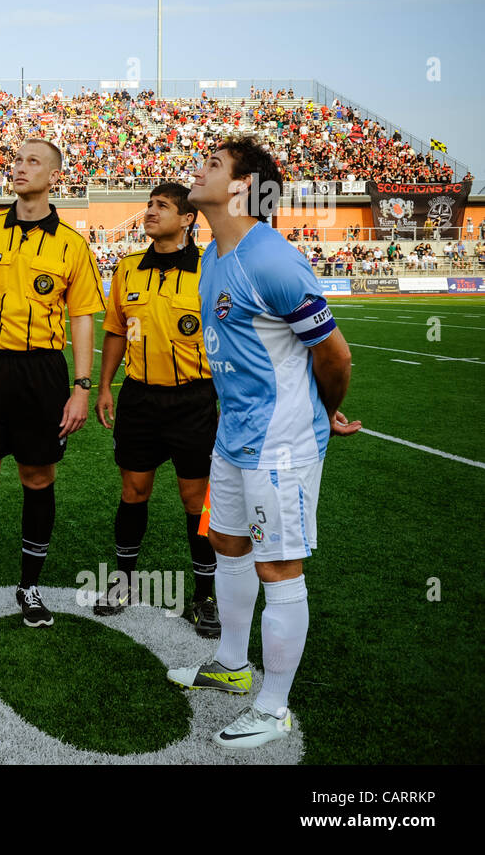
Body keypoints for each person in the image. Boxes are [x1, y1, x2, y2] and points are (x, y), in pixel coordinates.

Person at [166, 138, 360, 749]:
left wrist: (322, 415)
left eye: (214, 165)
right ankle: (230, 663)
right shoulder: (212, 258)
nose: (198, 170)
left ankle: (273, 707)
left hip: (281, 442)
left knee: (278, 566)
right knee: (226, 541)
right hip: (234, 434)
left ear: (243, 187)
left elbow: (335, 355)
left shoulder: (272, 260)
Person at [0, 139, 104, 630]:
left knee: (38, 478)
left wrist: (82, 386)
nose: (19, 167)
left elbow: (82, 319)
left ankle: (29, 586)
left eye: (33, 161)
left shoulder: (72, 244)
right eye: (16, 160)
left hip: (43, 375)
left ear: (54, 177)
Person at [93, 182, 219, 636]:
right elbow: (113, 330)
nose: (149, 212)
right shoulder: (128, 268)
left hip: (194, 399)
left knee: (196, 500)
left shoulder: (211, 268)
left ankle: (205, 596)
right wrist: (104, 386)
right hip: (139, 398)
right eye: (148, 205)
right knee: (133, 492)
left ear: (187, 218)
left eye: (161, 206)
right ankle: (123, 581)